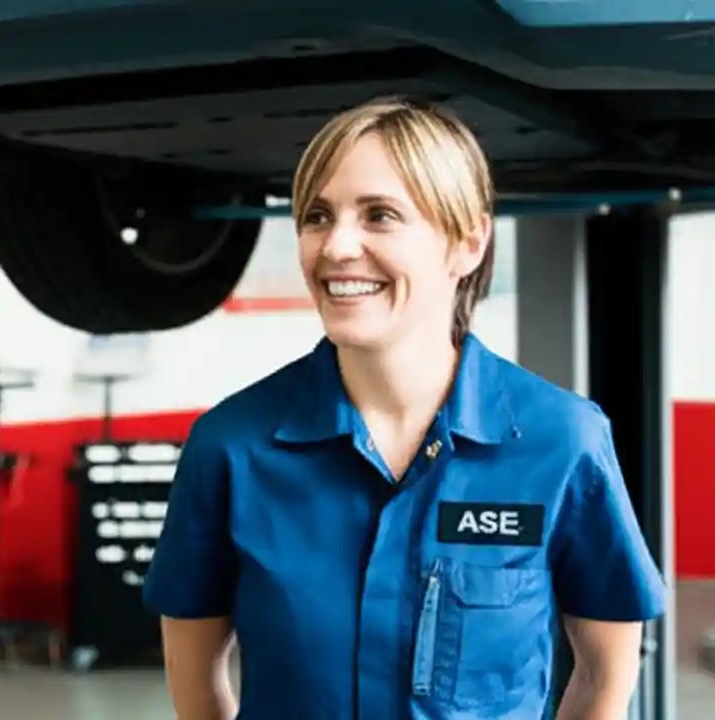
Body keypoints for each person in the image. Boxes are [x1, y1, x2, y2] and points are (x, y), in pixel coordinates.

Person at [143, 96, 667, 720]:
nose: (336, 247)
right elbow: (197, 692)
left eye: (380, 216)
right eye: (316, 216)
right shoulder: (232, 447)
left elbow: (606, 678)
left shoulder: (560, 439)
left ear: (466, 242)